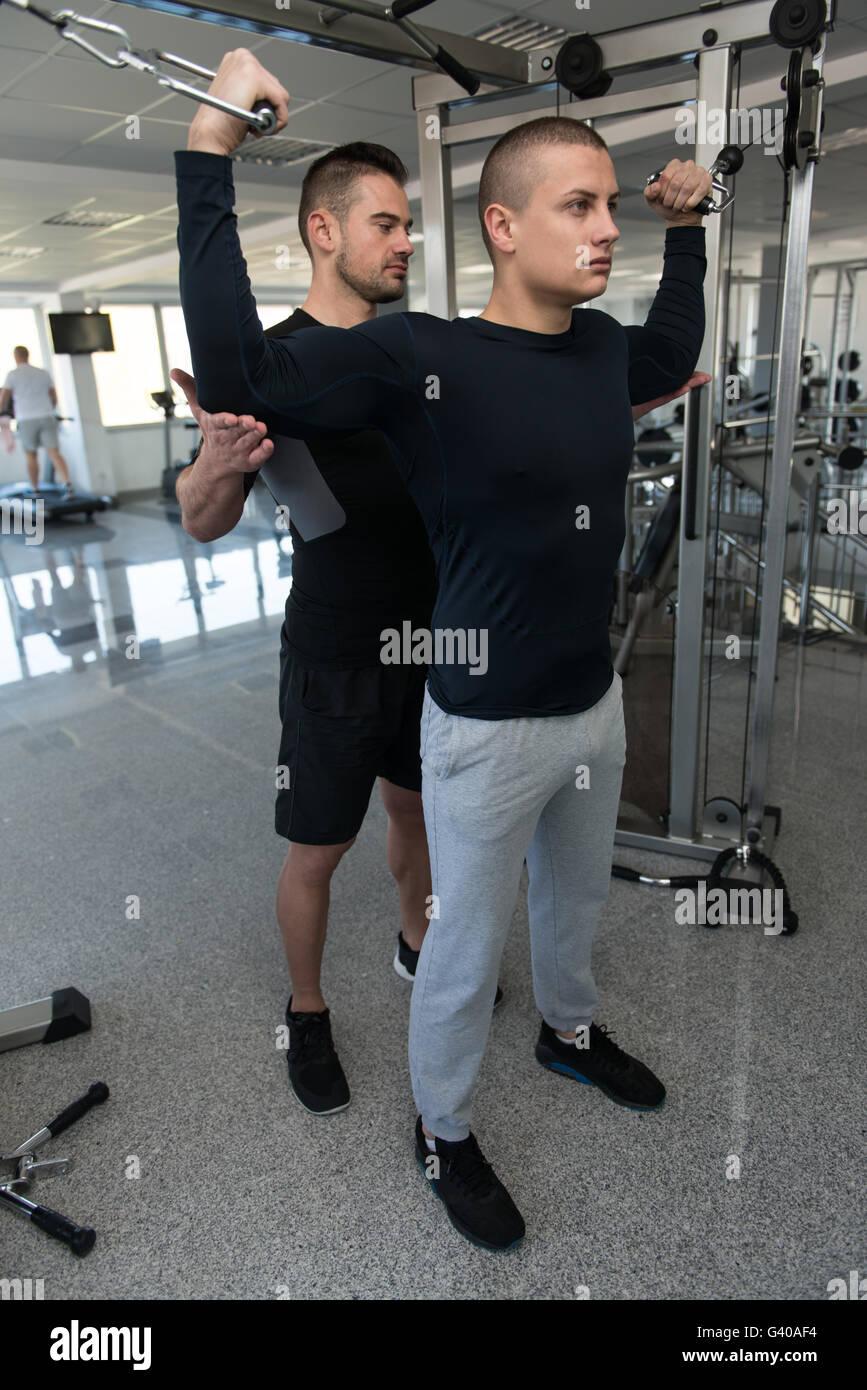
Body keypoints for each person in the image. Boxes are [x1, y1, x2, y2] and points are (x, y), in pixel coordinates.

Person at [174, 49, 713, 1251]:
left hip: (592, 703)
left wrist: (692, 226)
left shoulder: (596, 351)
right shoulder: (420, 355)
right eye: (580, 206)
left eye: (611, 205)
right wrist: (210, 149)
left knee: (572, 906)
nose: (604, 227)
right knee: (460, 943)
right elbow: (240, 372)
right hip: (484, 719)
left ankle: (568, 1035)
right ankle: (442, 1129)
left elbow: (672, 350)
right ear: (506, 224)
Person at [173, 143, 460, 1117]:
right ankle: (306, 1007)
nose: (406, 242)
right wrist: (216, 458)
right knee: (317, 848)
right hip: (335, 651)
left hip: (427, 639)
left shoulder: (414, 347)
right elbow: (201, 516)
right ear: (323, 229)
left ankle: (417, 939)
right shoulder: (270, 364)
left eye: (408, 225)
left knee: (417, 813)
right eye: (387, 223)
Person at [0, 346, 72, 493]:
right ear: (28, 355)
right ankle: (67, 484)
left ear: (16, 357)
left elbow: (4, 397)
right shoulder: (43, 373)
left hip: (27, 419)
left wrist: (1, 412)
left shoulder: (13, 375)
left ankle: (34, 488)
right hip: (46, 416)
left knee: (31, 454)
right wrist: (50, 409)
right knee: (54, 453)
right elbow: (53, 396)